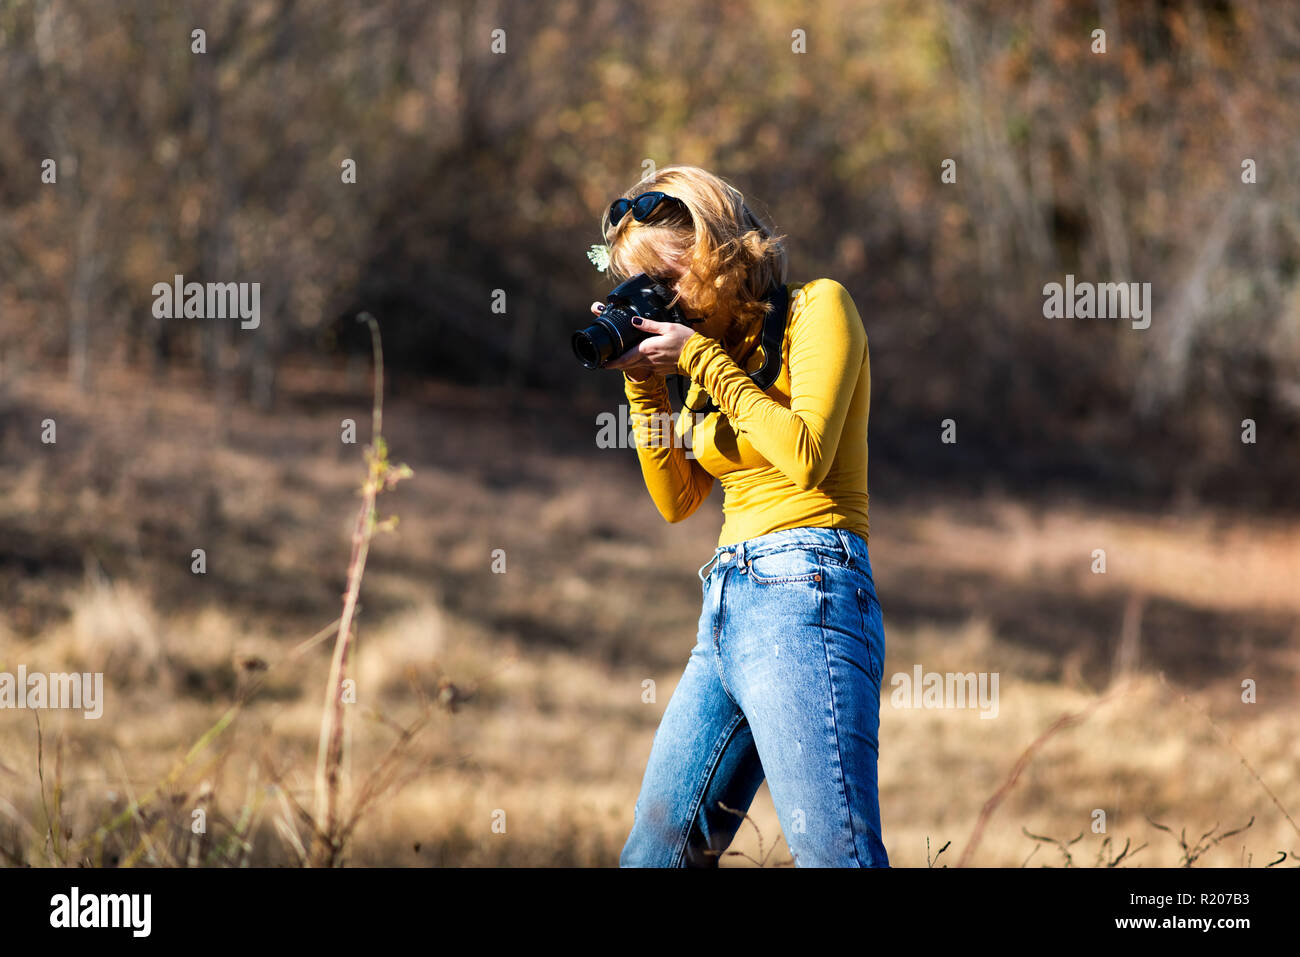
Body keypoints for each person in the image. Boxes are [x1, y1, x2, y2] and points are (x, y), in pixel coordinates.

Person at [592, 165, 889, 867]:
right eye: (646, 290)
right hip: (725, 603)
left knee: (834, 852)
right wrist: (646, 386)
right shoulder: (714, 359)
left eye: (668, 280)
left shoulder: (820, 308)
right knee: (655, 856)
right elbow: (678, 500)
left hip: (807, 587)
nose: (663, 303)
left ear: (719, 247)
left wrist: (698, 358)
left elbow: (807, 452)